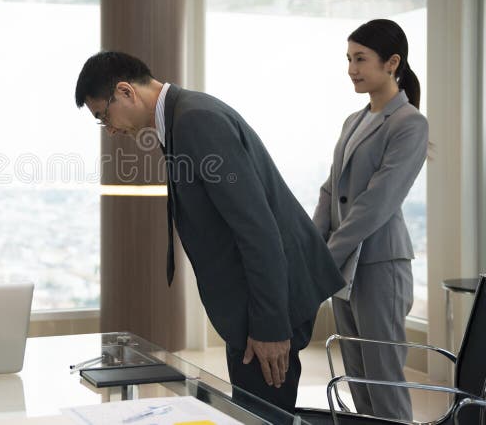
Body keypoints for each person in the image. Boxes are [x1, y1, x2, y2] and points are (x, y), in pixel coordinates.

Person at [74, 51, 345, 413]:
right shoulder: (180, 117)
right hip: (255, 298)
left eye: (103, 116)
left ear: (126, 91)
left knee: (262, 416)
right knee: (250, 411)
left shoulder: (195, 120)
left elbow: (256, 228)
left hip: (270, 302)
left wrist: (269, 328)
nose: (109, 130)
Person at [313, 19, 428, 420]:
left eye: (360, 59)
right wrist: (312, 249)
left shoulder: (409, 123)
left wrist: (326, 258)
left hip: (380, 266)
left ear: (392, 62)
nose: (352, 69)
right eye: (348, 59)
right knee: (358, 381)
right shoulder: (354, 120)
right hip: (345, 266)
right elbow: (331, 190)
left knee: (383, 383)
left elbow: (376, 204)